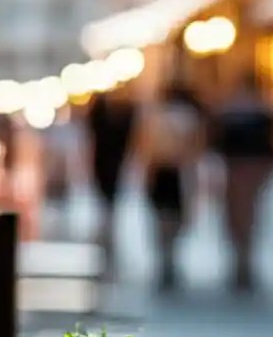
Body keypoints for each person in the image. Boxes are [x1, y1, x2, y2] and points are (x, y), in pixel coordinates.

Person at [135, 81, 205, 290]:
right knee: (174, 218)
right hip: (175, 171)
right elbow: (197, 147)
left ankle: (165, 256)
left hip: (163, 170)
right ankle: (169, 256)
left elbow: (144, 146)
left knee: (162, 217)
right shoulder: (185, 116)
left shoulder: (155, 115)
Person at [214, 72, 273, 291]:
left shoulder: (244, 113)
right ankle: (241, 260)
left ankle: (243, 260)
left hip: (245, 169)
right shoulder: (244, 113)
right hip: (241, 169)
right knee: (241, 215)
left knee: (242, 215)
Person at [86, 83, 138, 277]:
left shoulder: (125, 115)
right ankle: (106, 233)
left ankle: (109, 233)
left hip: (115, 164)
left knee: (111, 202)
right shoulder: (101, 114)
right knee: (105, 202)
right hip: (103, 163)